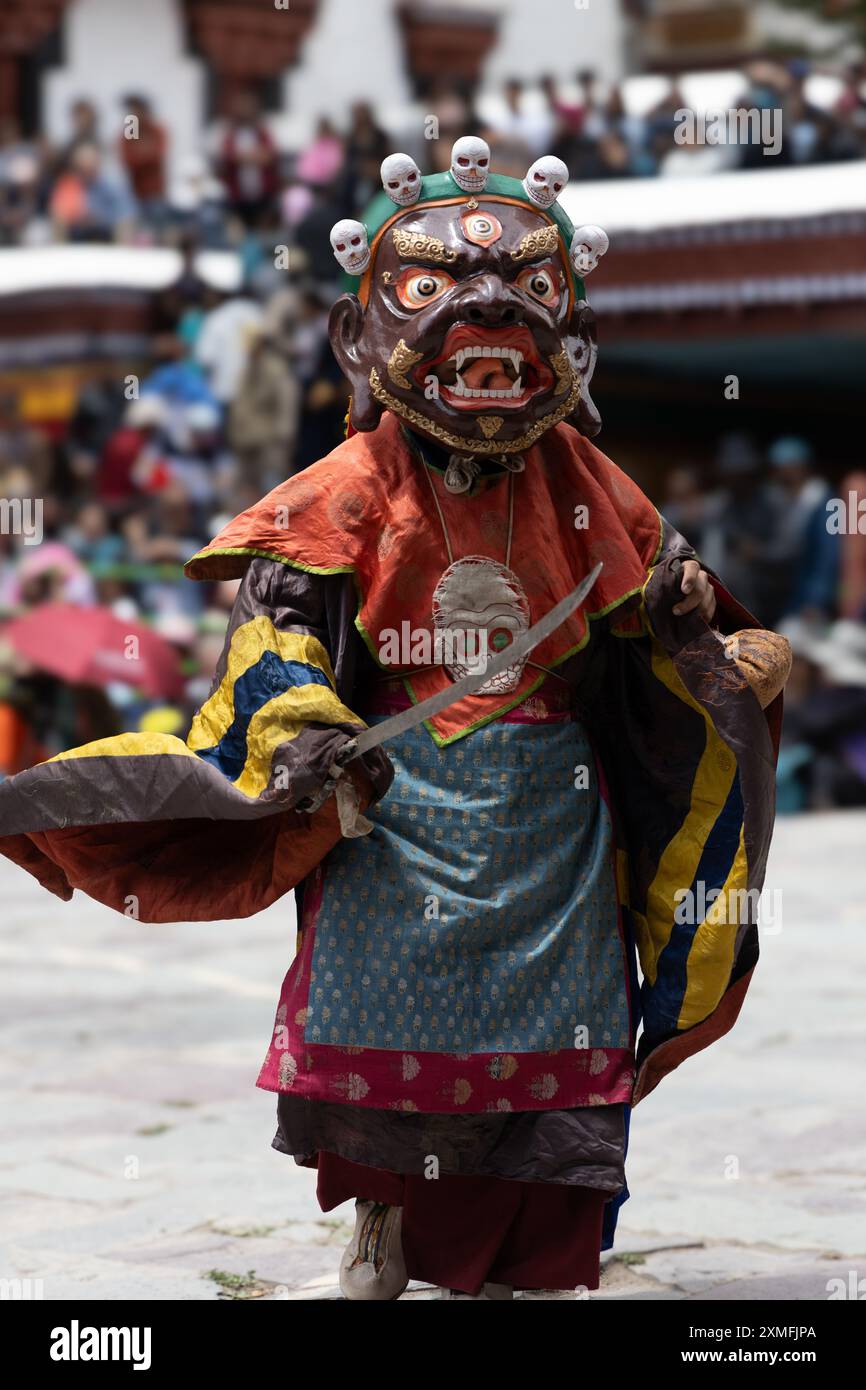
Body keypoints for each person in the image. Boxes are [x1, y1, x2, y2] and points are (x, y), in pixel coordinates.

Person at [0, 144, 790, 1299]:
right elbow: (273, 640)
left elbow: (657, 633)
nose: (489, 323)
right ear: (355, 334)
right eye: (425, 294)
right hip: (386, 814)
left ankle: (546, 1243)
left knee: (560, 1048)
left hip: (552, 831)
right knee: (379, 1045)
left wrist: (705, 658)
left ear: (576, 340)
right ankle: (379, 1219)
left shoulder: (595, 488)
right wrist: (305, 734)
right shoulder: (340, 491)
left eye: (534, 293)